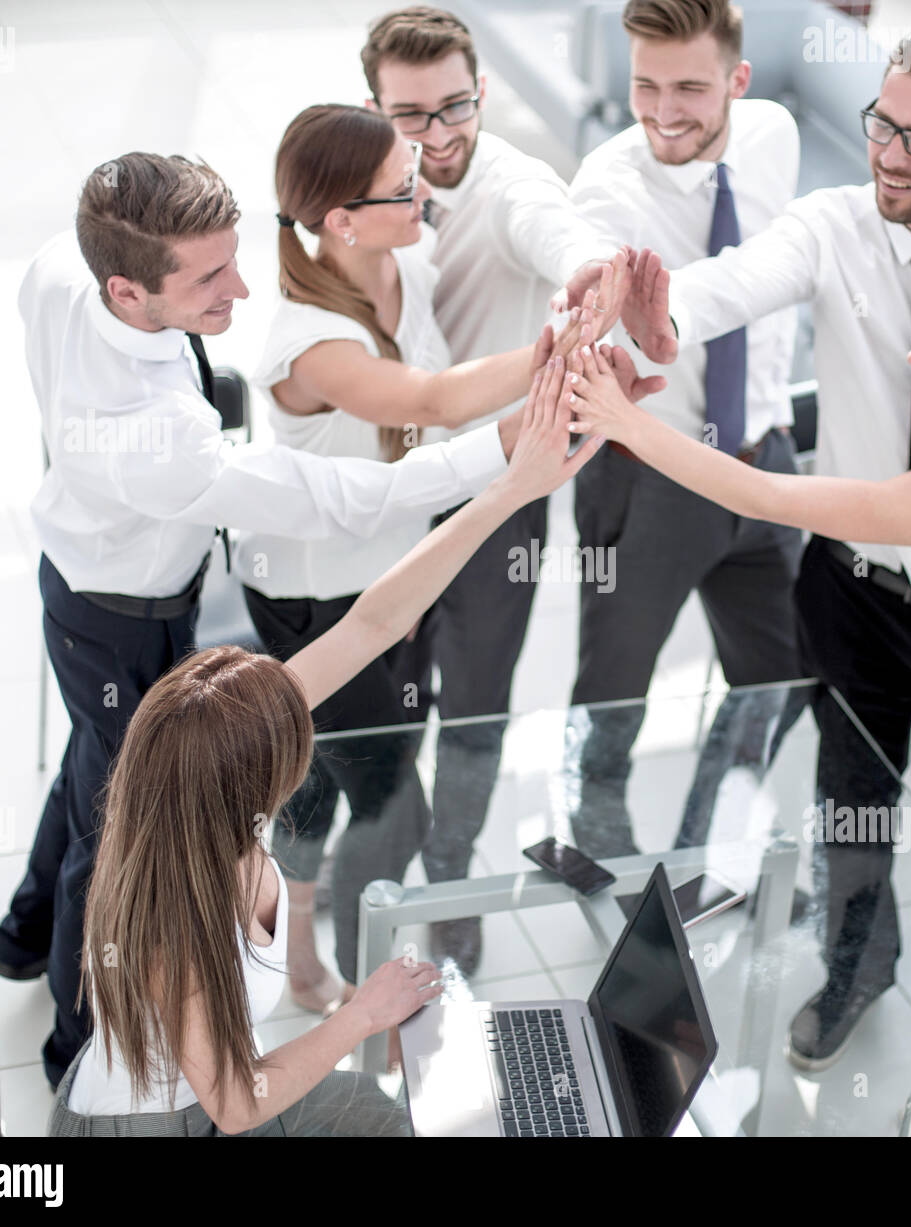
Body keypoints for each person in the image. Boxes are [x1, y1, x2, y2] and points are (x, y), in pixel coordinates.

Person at [565, 26, 911, 1071]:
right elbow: (725, 283)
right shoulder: (830, 223)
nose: (888, 154)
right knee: (852, 806)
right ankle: (856, 969)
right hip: (855, 588)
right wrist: (656, 307)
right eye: (880, 124)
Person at [0, 151, 567, 1090]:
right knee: (113, 830)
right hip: (126, 618)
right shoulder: (159, 443)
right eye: (212, 277)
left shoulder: (63, 265)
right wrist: (501, 455)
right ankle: (77, 1041)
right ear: (129, 289)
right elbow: (347, 495)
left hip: (78, 584)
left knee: (91, 761)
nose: (244, 286)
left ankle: (19, 937)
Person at [49, 355, 604, 1136]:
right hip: (162, 1125)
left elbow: (372, 622)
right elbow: (235, 1105)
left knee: (384, 1114)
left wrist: (513, 485)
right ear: (256, 778)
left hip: (202, 1089)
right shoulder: (182, 910)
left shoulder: (192, 777)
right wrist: (365, 1012)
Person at [236, 103, 624, 1011]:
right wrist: (559, 353)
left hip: (387, 576)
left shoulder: (406, 256)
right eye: (404, 187)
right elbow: (433, 399)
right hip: (319, 597)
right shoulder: (310, 342)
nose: (426, 189)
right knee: (375, 791)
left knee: (332, 777)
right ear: (341, 220)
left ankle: (299, 952)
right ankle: (335, 959)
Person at [361, 7, 650, 973]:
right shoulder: (358, 180)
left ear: (482, 91)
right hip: (385, 483)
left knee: (476, 701)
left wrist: (587, 278)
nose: (438, 138)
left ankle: (448, 879)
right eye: (411, 117)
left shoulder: (515, 182)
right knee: (382, 687)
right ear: (374, 109)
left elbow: (558, 231)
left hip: (498, 485)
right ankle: (380, 859)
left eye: (456, 108)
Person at [562, 0, 804, 859]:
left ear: (737, 81)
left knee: (783, 680)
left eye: (691, 88)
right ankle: (603, 862)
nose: (664, 111)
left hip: (765, 462)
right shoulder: (607, 187)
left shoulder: (774, 136)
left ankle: (706, 852)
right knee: (613, 694)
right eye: (645, 86)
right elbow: (580, 257)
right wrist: (588, 303)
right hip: (650, 480)